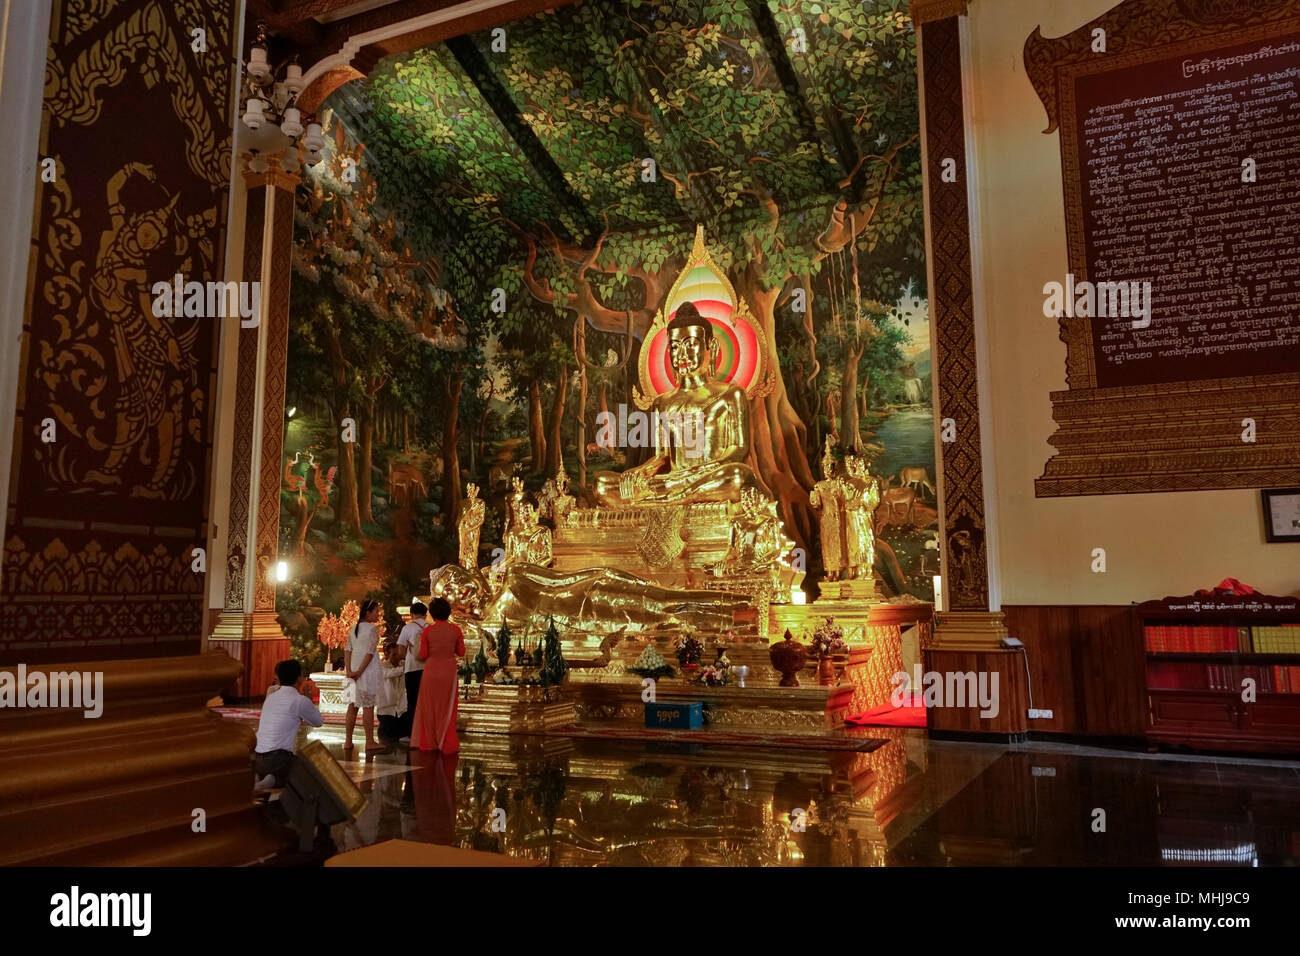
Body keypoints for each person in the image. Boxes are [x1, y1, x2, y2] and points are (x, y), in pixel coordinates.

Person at [253, 659, 323, 789]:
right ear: (300, 679)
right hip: (278, 759)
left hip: (257, 758)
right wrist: (309, 699)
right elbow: (318, 722)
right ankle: (273, 780)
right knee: (310, 773)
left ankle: (260, 776)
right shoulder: (299, 700)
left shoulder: (271, 697)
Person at [410, 597, 465, 753]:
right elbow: (461, 652)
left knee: (429, 707)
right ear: (448, 613)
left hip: (431, 670)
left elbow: (423, 654)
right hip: (448, 670)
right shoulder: (456, 630)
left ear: (432, 614)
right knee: (448, 706)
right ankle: (447, 743)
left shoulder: (427, 631)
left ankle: (429, 743)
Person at [343, 598, 388, 756]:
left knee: (352, 706)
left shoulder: (353, 628)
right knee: (368, 706)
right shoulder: (372, 629)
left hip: (352, 670)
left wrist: (349, 670)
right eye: (376, 611)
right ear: (368, 613)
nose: (378, 614)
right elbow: (369, 653)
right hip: (366, 671)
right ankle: (369, 741)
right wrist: (360, 672)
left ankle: (348, 740)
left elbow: (347, 650)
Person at [395, 601, 429, 741]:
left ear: (411, 614)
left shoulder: (407, 628)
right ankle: (427, 734)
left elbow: (401, 651)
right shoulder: (430, 628)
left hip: (412, 669)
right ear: (426, 615)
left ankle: (412, 734)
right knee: (427, 702)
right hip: (428, 669)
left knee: (412, 702)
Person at [376, 639, 407, 741]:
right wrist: (406, 667)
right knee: (388, 736)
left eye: (398, 654)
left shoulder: (403, 664)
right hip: (386, 710)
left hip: (401, 709)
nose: (397, 657)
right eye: (394, 655)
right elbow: (390, 673)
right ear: (387, 655)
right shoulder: (382, 666)